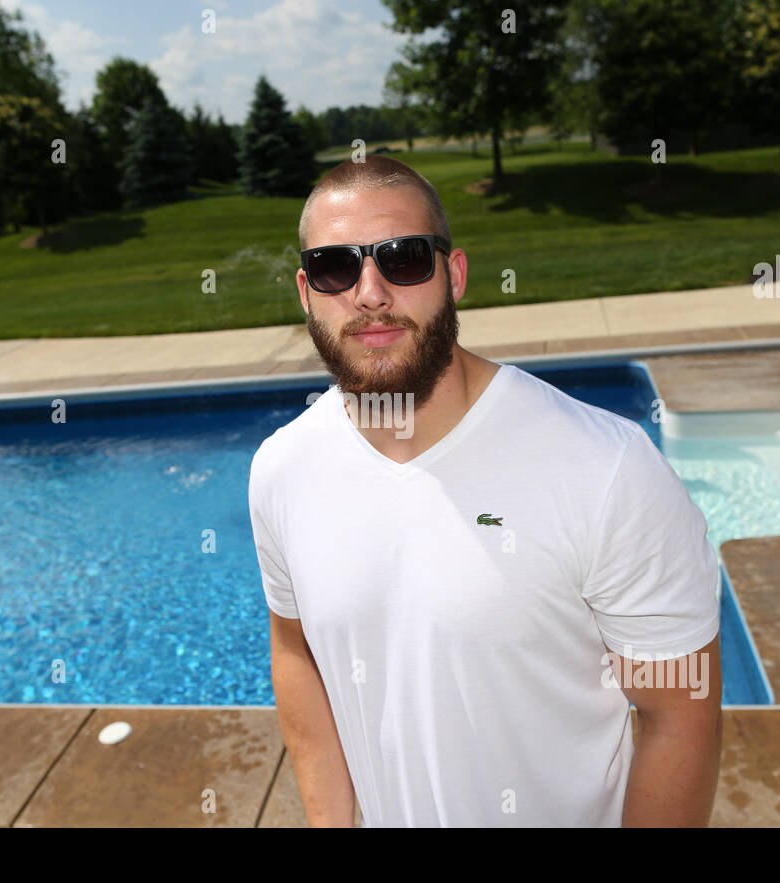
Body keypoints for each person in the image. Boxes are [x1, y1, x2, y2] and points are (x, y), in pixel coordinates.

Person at [247, 155, 722, 827]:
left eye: (404, 258)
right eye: (336, 266)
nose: (370, 291)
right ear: (305, 290)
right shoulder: (281, 469)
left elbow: (680, 716)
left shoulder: (605, 466)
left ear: (456, 274)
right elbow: (295, 650)